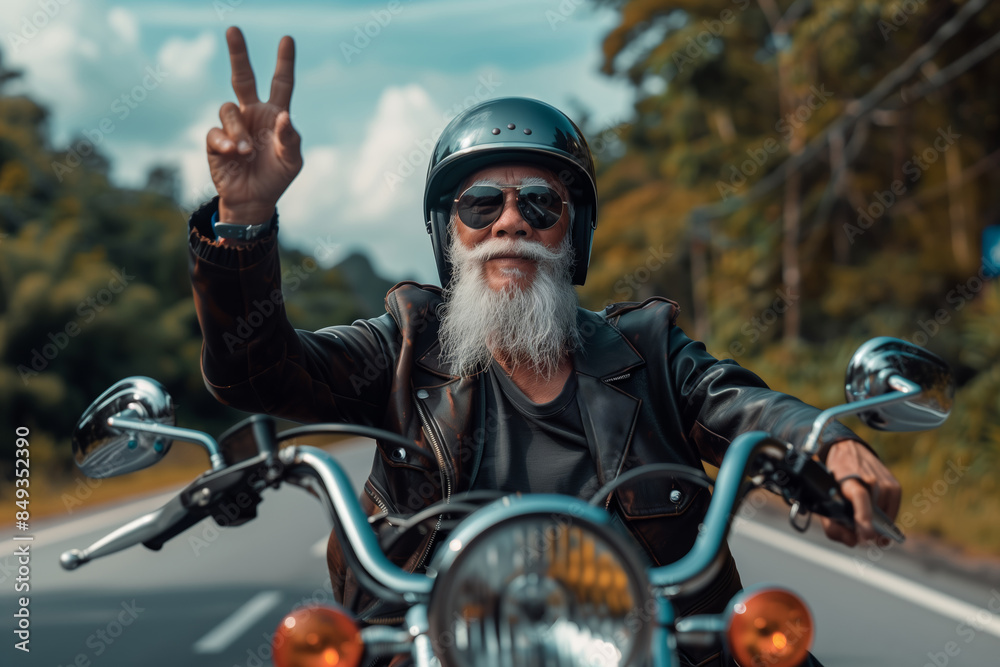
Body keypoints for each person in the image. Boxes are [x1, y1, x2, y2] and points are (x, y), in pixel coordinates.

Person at [187, 27, 901, 666]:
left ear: (571, 230)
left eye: (539, 202)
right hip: (439, 646)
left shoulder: (649, 350)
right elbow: (258, 372)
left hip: (641, 643)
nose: (510, 222)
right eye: (479, 204)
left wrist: (823, 439)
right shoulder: (402, 345)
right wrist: (244, 222)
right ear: (449, 232)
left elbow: (739, 405)